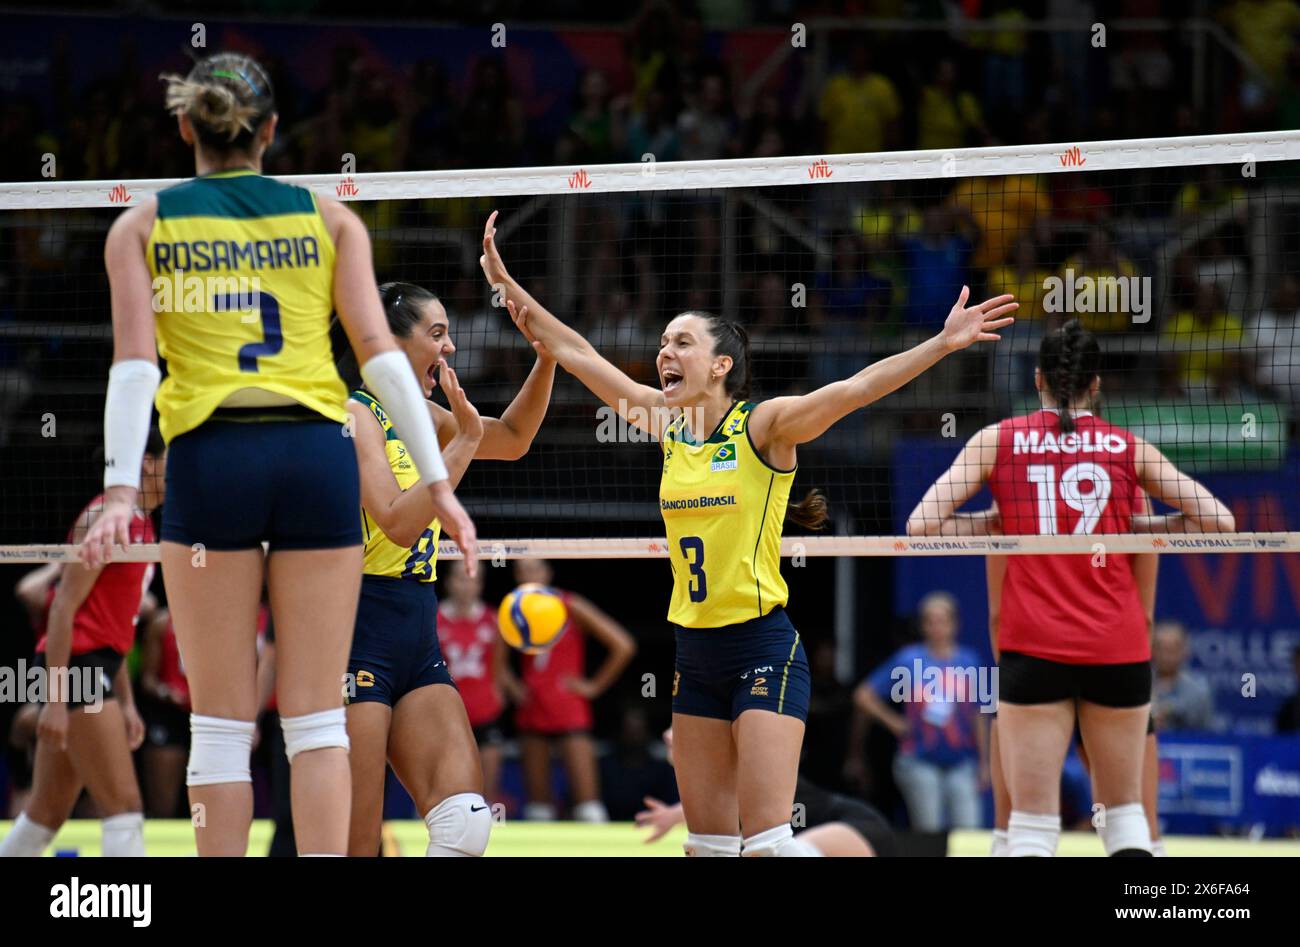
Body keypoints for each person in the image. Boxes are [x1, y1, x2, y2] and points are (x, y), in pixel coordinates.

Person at [481, 210, 1016, 856]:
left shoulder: (764, 426)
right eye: (663, 343)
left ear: (721, 365)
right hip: (694, 655)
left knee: (766, 845)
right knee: (707, 847)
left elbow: (856, 389)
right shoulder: (667, 425)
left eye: (682, 343)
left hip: (763, 647)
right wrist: (505, 283)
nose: (664, 353)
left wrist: (942, 342)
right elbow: (577, 352)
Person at [80, 52, 476, 857]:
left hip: (210, 456)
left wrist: (123, 491)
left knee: (221, 726)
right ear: (270, 131)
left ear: (186, 126)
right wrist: (438, 480)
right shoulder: (329, 217)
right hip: (312, 453)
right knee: (316, 718)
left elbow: (133, 367)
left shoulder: (143, 223)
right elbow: (380, 355)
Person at [908, 319, 1234, 857]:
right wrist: (1140, 528)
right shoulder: (1127, 448)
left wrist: (995, 519)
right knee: (1126, 816)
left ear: (1036, 378)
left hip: (1034, 646)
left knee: (1032, 826)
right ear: (1096, 384)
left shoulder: (998, 440)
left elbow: (922, 526)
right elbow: (1219, 522)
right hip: (1117, 648)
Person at [340, 281, 555, 856]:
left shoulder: (422, 418)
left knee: (465, 823)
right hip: (353, 630)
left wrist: (547, 358)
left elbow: (511, 440)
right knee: (356, 844)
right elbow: (396, 522)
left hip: (415, 622)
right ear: (389, 341)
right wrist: (461, 445)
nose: (451, 348)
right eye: (436, 334)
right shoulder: (355, 417)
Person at [0, 435, 165, 857]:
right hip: (75, 670)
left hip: (96, 665)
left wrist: (126, 702)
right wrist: (54, 702)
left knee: (45, 813)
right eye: (173, 459)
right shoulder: (103, 518)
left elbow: (117, 628)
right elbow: (61, 611)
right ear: (146, 463)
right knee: (124, 807)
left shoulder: (144, 525)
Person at [635, 729, 896, 857]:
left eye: (677, 730)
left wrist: (677, 813)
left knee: (778, 851)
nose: (668, 736)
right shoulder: (717, 784)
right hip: (832, 833)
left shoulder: (749, 763)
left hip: (856, 828)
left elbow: (729, 798)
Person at [512, 558, 637, 822]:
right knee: (538, 809)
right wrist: (514, 688)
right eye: (521, 570)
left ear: (547, 572)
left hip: (568, 709)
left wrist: (593, 686)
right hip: (533, 709)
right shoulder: (513, 609)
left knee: (589, 806)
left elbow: (623, 645)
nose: (528, 576)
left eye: (534, 569)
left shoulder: (570, 604)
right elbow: (496, 662)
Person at [854, 592, 989, 832]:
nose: (937, 627)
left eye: (943, 620)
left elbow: (981, 713)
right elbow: (863, 695)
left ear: (954, 624)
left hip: (962, 761)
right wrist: (894, 722)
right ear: (923, 625)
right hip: (918, 759)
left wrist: (986, 763)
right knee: (929, 831)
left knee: (970, 830)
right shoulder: (908, 659)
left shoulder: (971, 661)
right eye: (930, 620)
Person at [436, 559, 511, 806]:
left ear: (480, 585)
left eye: (473, 579)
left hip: (485, 712)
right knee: (444, 790)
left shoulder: (493, 619)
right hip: (447, 716)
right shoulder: (434, 619)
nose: (466, 585)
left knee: (485, 792)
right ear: (448, 582)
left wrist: (499, 694)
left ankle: (488, 836)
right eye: (460, 578)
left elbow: (498, 669)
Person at [1151, 620, 1215, 731]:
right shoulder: (1139, 684)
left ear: (1185, 651)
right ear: (1152, 650)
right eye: (1162, 649)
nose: (1167, 656)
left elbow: (1205, 731)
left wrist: (1167, 710)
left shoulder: (1199, 689)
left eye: (1173, 649)